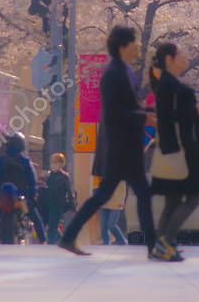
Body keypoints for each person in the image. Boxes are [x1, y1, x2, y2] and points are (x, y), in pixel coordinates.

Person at [58, 25, 157, 257]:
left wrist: (151, 111)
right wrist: (146, 116)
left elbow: (132, 107)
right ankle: (154, 246)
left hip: (122, 147)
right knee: (137, 195)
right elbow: (115, 112)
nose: (138, 46)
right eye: (134, 42)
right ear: (123, 46)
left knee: (113, 195)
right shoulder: (114, 73)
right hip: (120, 148)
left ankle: (69, 236)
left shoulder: (123, 70)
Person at [147, 43, 199, 262]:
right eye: (180, 54)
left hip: (176, 148)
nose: (185, 57)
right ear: (169, 58)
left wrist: (196, 112)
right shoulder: (169, 85)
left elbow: (171, 115)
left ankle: (161, 244)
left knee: (173, 199)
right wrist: (196, 112)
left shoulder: (167, 84)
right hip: (183, 150)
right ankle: (166, 241)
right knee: (193, 197)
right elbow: (169, 117)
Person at [0, 133, 47, 244]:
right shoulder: (25, 161)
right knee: (35, 216)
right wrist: (33, 195)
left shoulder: (0, 160)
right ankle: (43, 240)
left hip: (3, 196)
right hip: (22, 196)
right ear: (21, 145)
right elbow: (32, 180)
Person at [40, 152, 76, 244]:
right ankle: (64, 240)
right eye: (52, 162)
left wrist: (73, 205)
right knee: (50, 225)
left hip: (58, 205)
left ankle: (50, 245)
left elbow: (69, 191)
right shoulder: (48, 175)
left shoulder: (64, 176)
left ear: (60, 164)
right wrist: (42, 181)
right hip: (47, 204)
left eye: (55, 163)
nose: (53, 165)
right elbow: (45, 187)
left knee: (52, 227)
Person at [97, 178, 128, 246]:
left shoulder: (121, 178)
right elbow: (99, 188)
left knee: (111, 225)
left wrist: (122, 202)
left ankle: (122, 241)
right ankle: (106, 244)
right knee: (103, 226)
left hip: (116, 204)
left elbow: (123, 191)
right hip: (104, 204)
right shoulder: (103, 176)